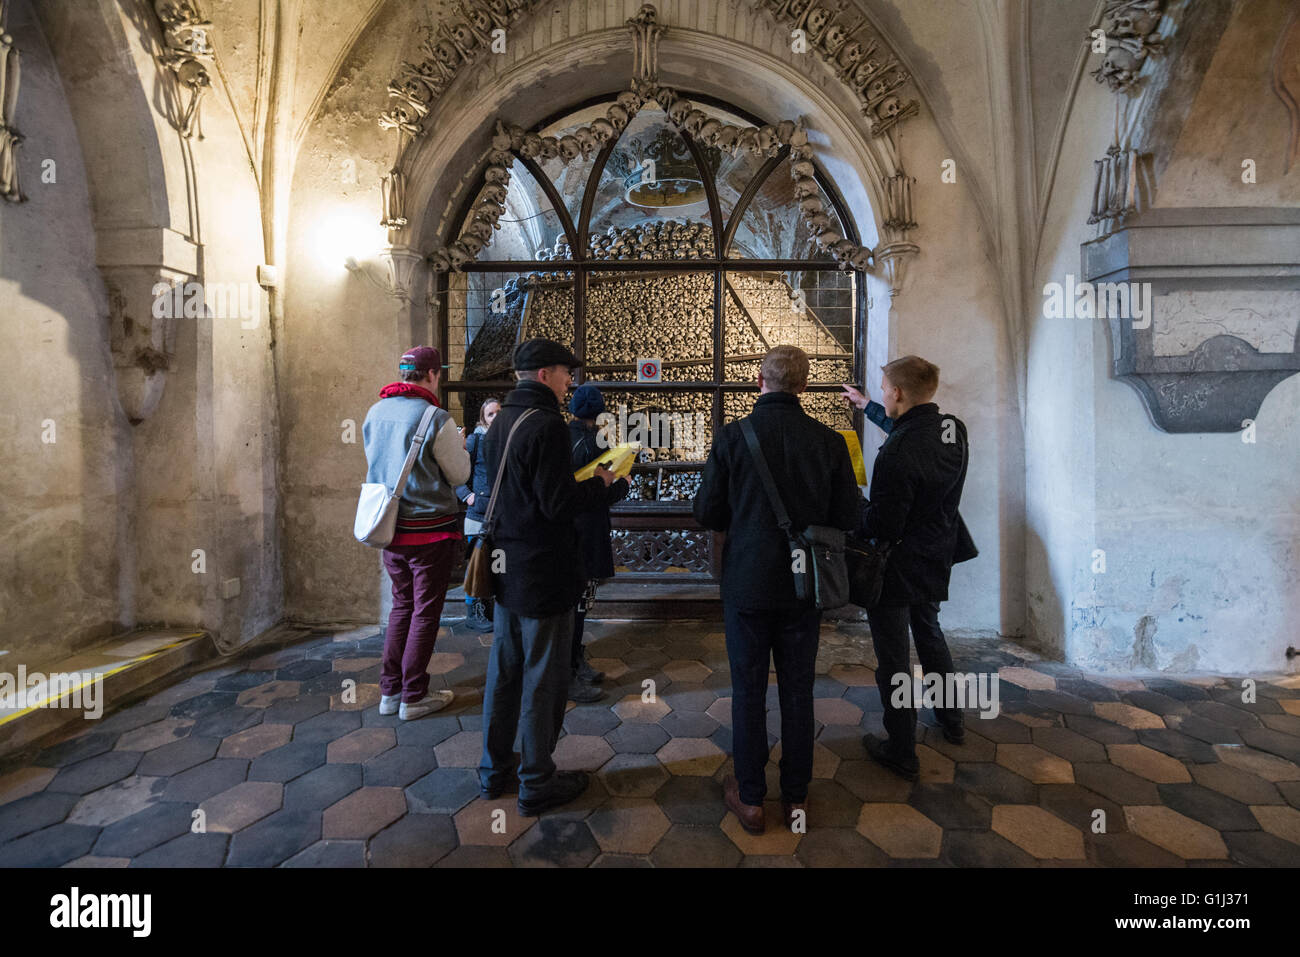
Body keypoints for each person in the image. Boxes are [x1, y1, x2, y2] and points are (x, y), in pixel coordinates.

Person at [694, 345, 859, 834]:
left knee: (747, 690)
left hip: (747, 582)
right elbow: (849, 517)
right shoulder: (830, 441)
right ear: (804, 387)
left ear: (757, 382)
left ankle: (749, 799)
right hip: (804, 586)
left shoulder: (731, 437)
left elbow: (707, 512)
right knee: (798, 689)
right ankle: (796, 798)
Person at [478, 338, 616, 816]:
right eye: (564, 373)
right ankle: (536, 781)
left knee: (504, 672)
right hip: (544, 571)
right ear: (543, 375)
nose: (569, 382)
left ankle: (494, 770)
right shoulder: (547, 425)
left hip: (505, 568)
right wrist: (600, 485)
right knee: (543, 676)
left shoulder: (499, 423)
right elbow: (558, 506)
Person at [841, 356, 969, 781]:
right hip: (936, 556)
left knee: (894, 658)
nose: (881, 393)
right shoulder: (952, 431)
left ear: (897, 392)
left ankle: (901, 748)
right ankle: (952, 721)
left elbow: (884, 524)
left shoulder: (894, 454)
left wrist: (855, 507)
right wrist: (866, 407)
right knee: (931, 636)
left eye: (882, 389)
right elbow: (914, 435)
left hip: (896, 567)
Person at [363, 346, 471, 721]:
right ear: (431, 375)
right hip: (430, 535)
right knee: (425, 613)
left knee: (401, 608)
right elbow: (459, 476)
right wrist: (459, 445)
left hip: (390, 531)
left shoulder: (375, 413)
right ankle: (414, 696)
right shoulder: (434, 417)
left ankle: (390, 693)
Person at [567, 384, 630, 703]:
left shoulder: (560, 436)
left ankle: (575, 661)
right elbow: (601, 492)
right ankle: (570, 669)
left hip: (567, 530)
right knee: (581, 600)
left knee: (575, 601)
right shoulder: (598, 444)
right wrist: (624, 486)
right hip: (588, 531)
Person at [456, 397, 501, 632]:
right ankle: (473, 610)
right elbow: (456, 471)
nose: (496, 417)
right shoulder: (475, 440)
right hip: (478, 512)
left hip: (500, 512)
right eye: (491, 414)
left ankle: (490, 606)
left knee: (496, 564)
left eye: (499, 413)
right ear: (483, 417)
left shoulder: (505, 440)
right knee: (476, 563)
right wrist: (467, 496)